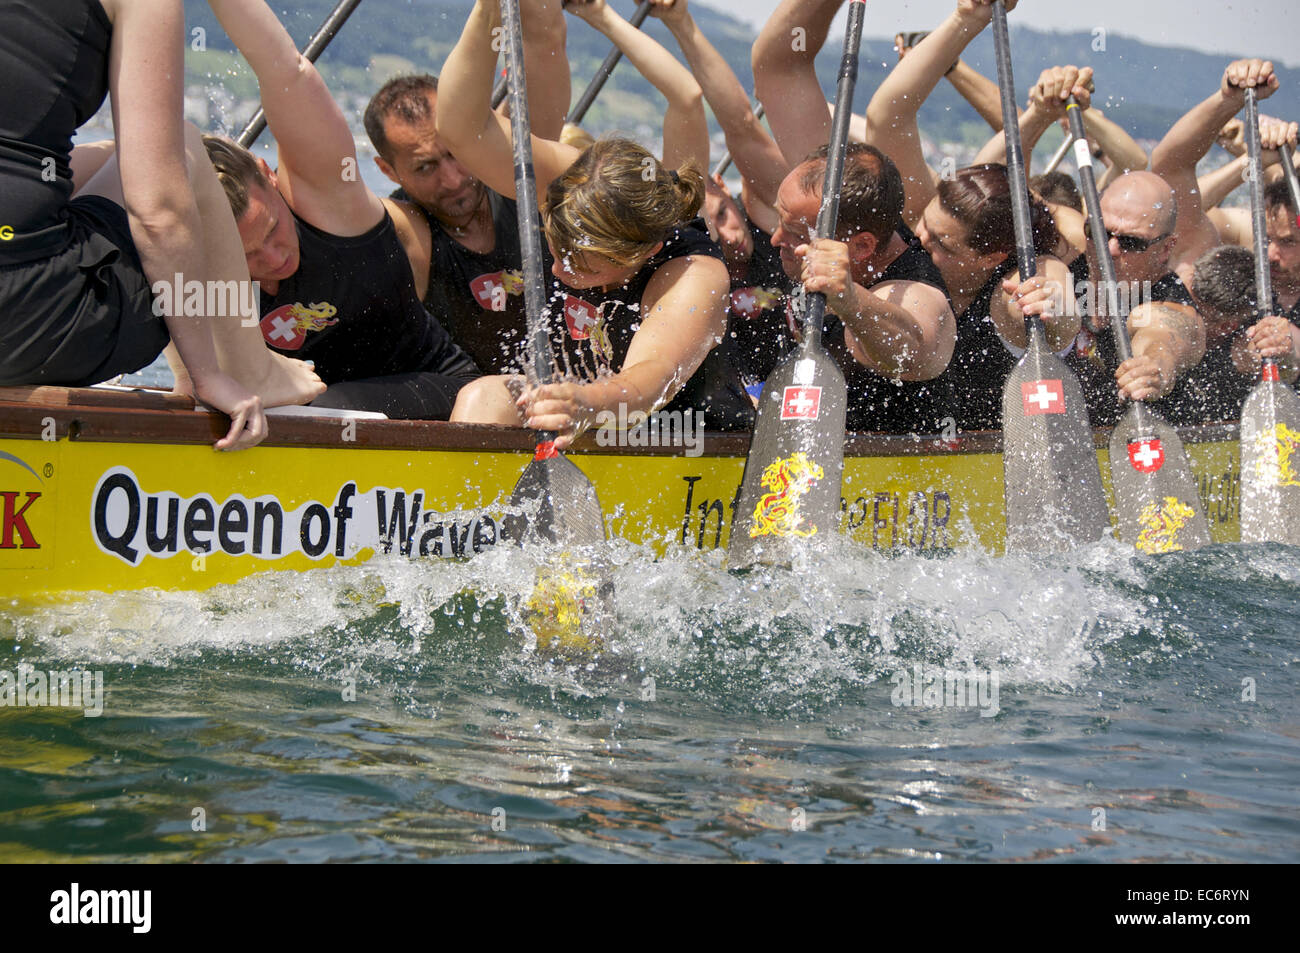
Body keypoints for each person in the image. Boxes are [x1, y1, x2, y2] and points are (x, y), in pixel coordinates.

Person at [0, 0, 326, 450]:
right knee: (184, 145)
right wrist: (206, 375)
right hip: (27, 319)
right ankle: (251, 370)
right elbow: (160, 211)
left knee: (106, 159)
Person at [437, 0, 750, 445]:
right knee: (483, 397)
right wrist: (489, 13)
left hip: (686, 441)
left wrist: (585, 404)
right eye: (555, 249)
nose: (560, 272)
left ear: (645, 252)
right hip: (588, 413)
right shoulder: (575, 180)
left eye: (583, 264)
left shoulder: (693, 274)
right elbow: (460, 127)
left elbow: (647, 385)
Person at [202, 0, 479, 420]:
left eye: (273, 230)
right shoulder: (188, 253)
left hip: (439, 390)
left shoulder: (327, 200)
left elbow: (285, 71)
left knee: (308, 409)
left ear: (267, 173)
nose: (274, 259)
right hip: (310, 410)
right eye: (247, 256)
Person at [858, 0, 1077, 432]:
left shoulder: (1027, 272)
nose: (919, 238)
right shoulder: (930, 227)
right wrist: (967, 18)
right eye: (925, 224)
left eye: (942, 242)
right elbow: (888, 115)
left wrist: (1055, 307)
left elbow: (1060, 302)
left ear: (993, 257)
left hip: (994, 463)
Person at [751, 0, 957, 434]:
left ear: (861, 246)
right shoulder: (825, 195)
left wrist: (848, 299)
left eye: (793, 232)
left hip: (890, 489)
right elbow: (779, 64)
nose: (774, 241)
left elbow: (912, 349)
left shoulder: (914, 287)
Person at [363, 1, 568, 375]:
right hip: (468, 406)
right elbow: (329, 194)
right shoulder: (403, 226)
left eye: (455, 153)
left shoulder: (514, 172)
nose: (453, 180)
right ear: (387, 171)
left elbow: (546, 40)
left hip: (570, 394)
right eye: (425, 167)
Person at [1151, 58, 1284, 288]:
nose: (1270, 255)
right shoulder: (1248, 227)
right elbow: (1174, 193)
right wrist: (1228, 100)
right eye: (1267, 239)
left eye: (1289, 241)